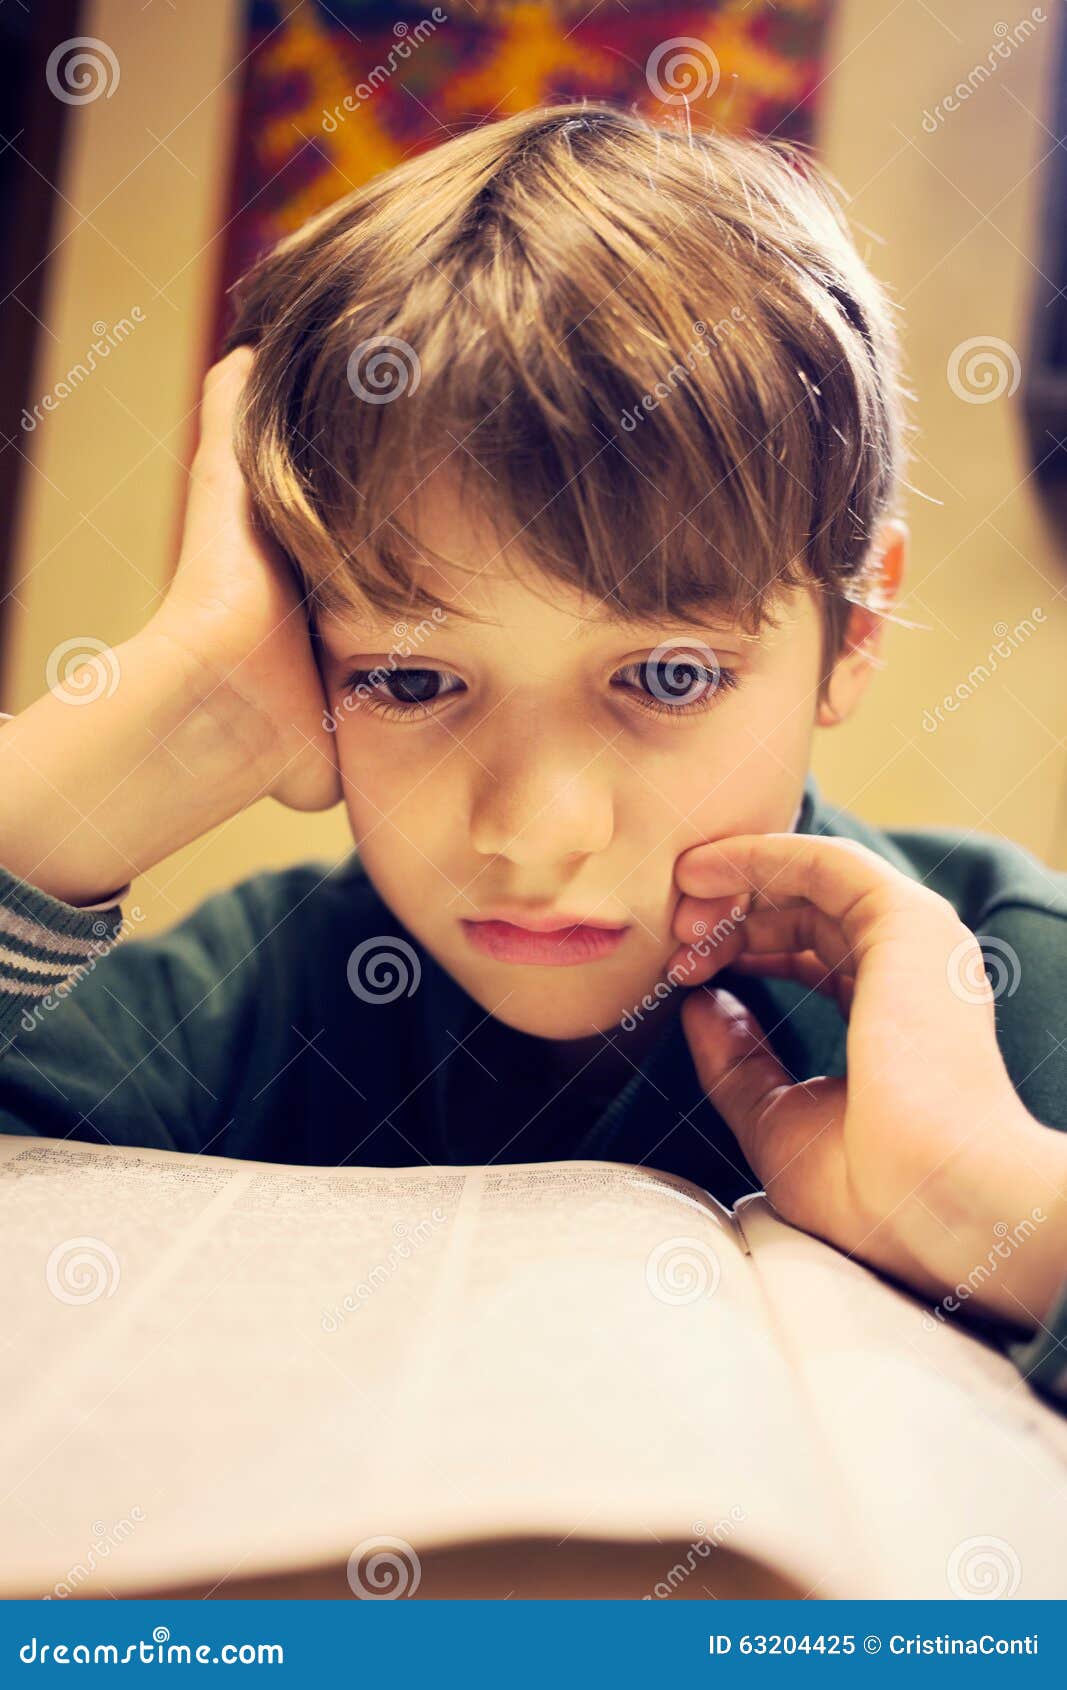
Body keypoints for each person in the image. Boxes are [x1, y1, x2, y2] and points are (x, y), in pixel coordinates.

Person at [1, 104, 1064, 1399]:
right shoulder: (251, 1007)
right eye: (407, 675)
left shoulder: (1017, 984)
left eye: (667, 675)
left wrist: (990, 1207)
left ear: (858, 626)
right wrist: (185, 707)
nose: (534, 831)